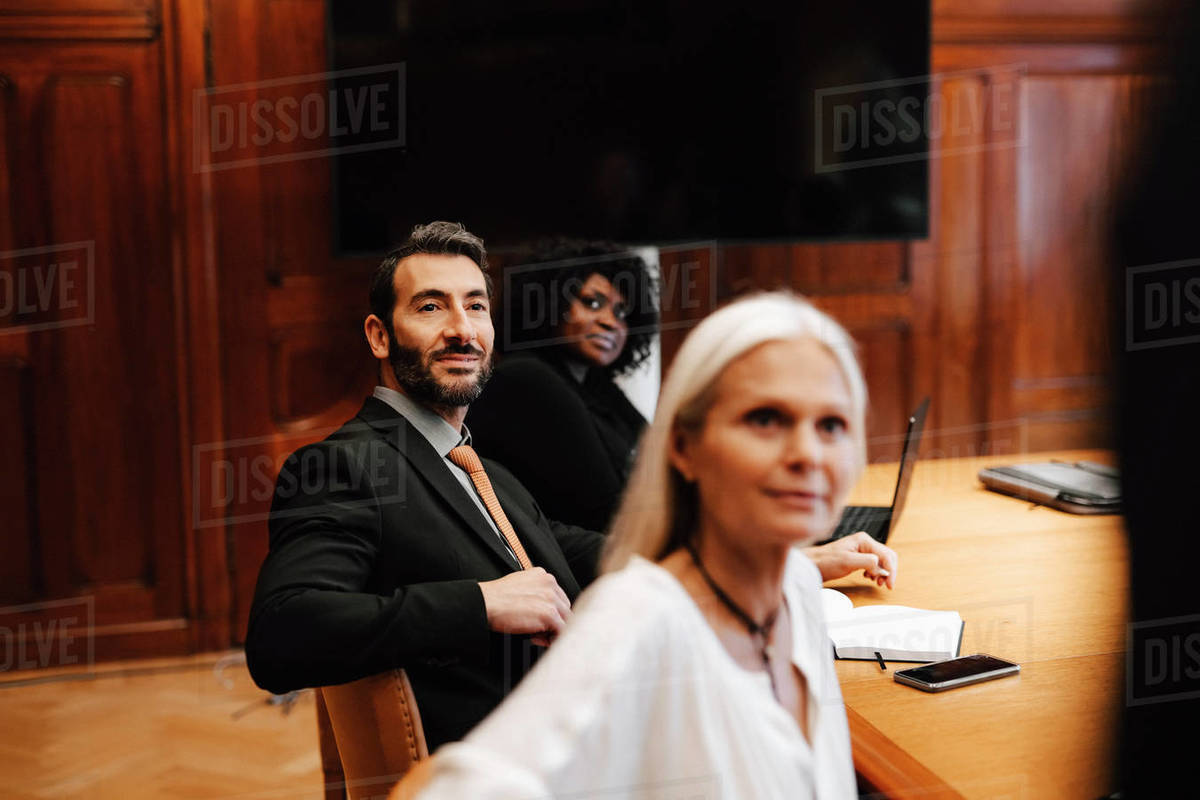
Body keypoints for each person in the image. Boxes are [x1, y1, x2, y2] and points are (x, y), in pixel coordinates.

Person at [400, 291, 889, 798]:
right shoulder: (640, 617)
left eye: (832, 425)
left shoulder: (800, 585)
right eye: (765, 420)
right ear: (682, 447)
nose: (807, 454)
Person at [244, 221, 607, 751]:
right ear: (379, 335)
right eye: (431, 307)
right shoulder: (344, 466)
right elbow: (283, 634)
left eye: (476, 306)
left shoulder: (483, 470)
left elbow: (560, 542)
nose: (463, 330)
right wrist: (480, 605)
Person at [466, 239, 657, 531]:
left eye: (621, 313)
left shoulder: (596, 385)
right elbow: (605, 509)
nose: (610, 322)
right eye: (592, 303)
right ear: (548, 303)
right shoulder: (526, 378)